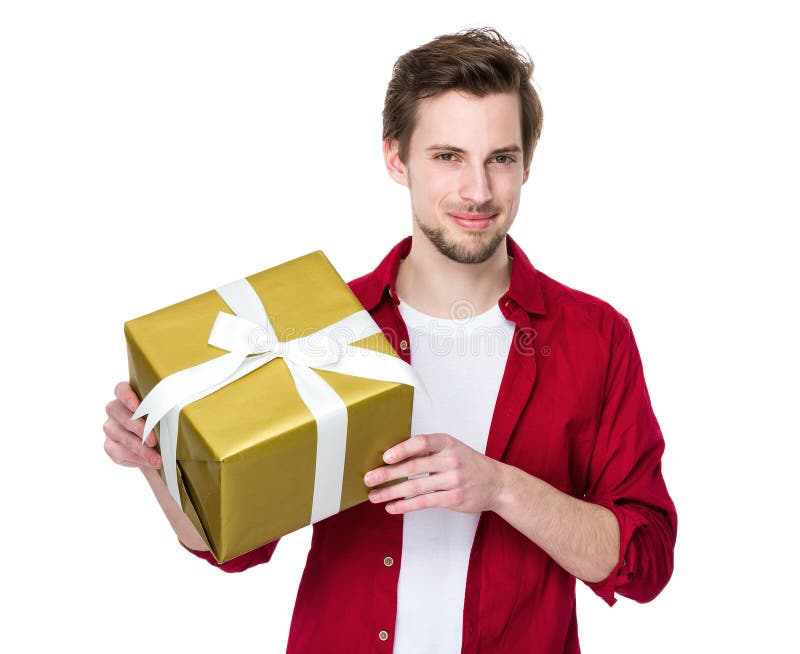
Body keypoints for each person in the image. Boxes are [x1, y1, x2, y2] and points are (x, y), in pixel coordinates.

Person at [103, 27, 677, 653]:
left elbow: (645, 562)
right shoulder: (314, 328)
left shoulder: (596, 338)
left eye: (501, 158)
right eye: (448, 156)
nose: (478, 191)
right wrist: (157, 465)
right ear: (397, 158)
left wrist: (500, 487)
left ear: (527, 164)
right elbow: (233, 545)